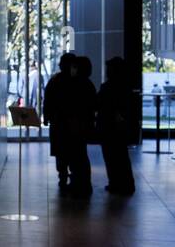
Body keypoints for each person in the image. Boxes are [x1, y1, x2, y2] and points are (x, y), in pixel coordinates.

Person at [96, 56, 136, 194]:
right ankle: (125, 184)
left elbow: (98, 103)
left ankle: (115, 183)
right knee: (121, 157)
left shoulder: (107, 87)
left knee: (111, 157)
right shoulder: (125, 87)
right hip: (119, 128)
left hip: (108, 128)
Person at [43, 53, 76, 193]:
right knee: (73, 152)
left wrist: (46, 117)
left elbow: (47, 101)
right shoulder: (77, 82)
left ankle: (62, 177)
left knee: (60, 153)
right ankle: (73, 178)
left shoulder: (54, 81)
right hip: (73, 123)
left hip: (58, 123)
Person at [67, 55, 98, 198]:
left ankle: (80, 184)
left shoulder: (76, 84)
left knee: (77, 156)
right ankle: (83, 184)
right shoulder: (88, 84)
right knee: (80, 155)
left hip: (76, 125)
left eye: (73, 67)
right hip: (84, 125)